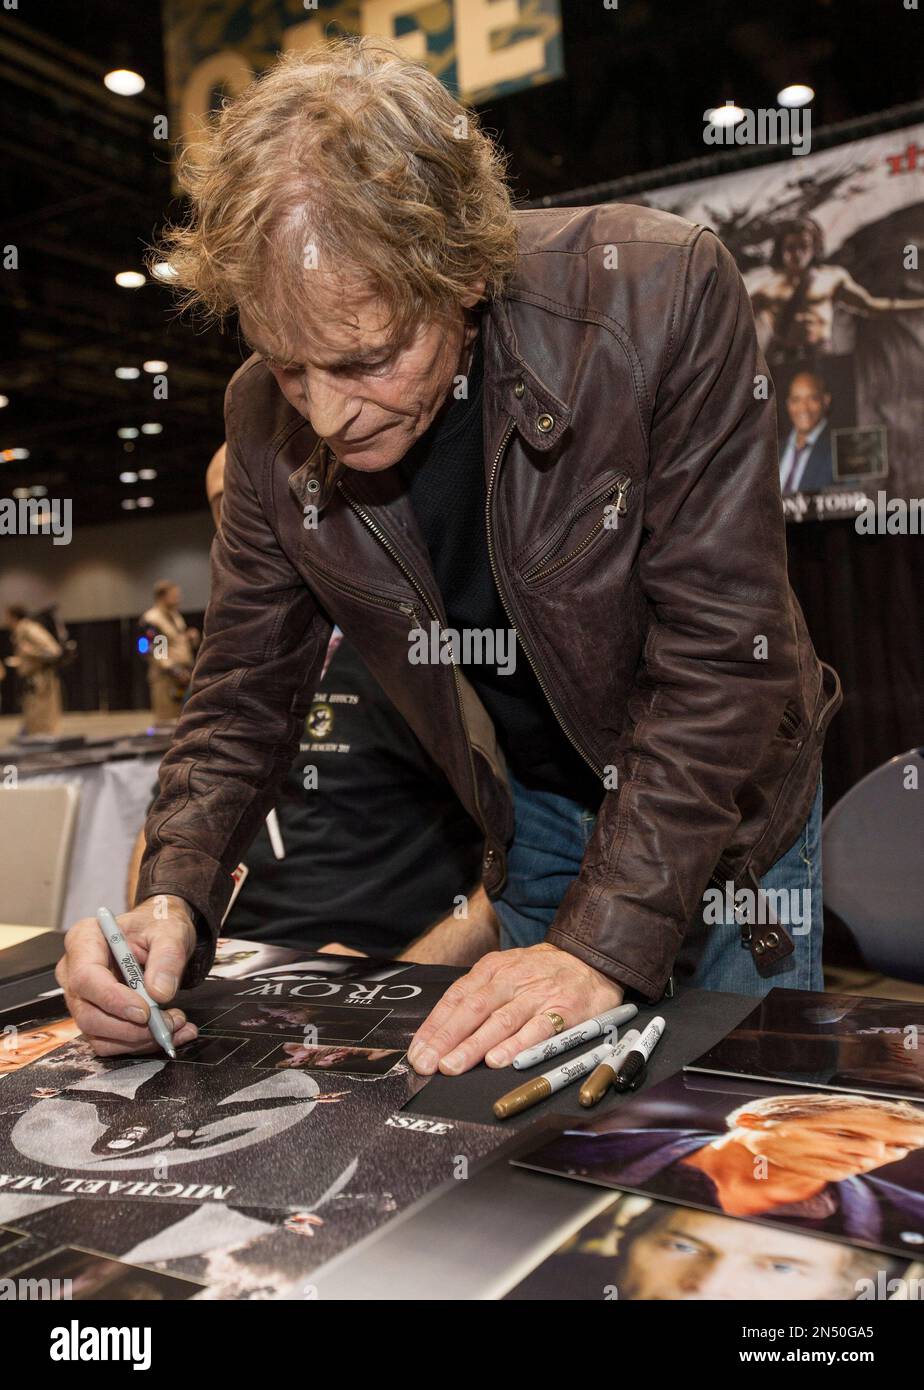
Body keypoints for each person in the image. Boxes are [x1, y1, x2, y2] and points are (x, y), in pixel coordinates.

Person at [59, 38, 841, 1073]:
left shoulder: (659, 296)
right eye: (291, 367)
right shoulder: (261, 420)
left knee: (733, 1133)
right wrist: (174, 891)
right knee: (523, 1149)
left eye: (368, 359)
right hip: (538, 813)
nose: (330, 414)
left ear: (463, 268)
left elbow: (718, 660)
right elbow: (242, 693)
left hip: (730, 808)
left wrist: (596, 945)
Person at [533, 1091, 924, 1250]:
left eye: (899, 1146)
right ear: (752, 1122)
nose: (871, 1154)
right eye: (844, 1133)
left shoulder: (912, 1218)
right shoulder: (574, 1153)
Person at [507, 1199, 910, 1301]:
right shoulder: (524, 1283)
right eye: (682, 1245)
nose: (706, 1286)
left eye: (781, 1268)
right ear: (628, 1242)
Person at [745, 216, 924, 365]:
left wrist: (919, 304)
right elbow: (736, 322)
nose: (797, 254)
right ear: (781, 249)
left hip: (822, 357)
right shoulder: (765, 286)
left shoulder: (831, 278)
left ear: (814, 247)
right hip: (781, 360)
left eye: (804, 246)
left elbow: (871, 306)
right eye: (791, 247)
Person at [140, 581, 200, 722]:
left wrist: (190, 638)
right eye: (174, 595)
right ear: (162, 597)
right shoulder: (153, 619)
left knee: (183, 719)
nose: (178, 598)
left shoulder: (176, 616)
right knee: (167, 722)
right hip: (166, 678)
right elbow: (150, 648)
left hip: (183, 674)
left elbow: (175, 642)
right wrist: (175, 670)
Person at [3, 603, 64, 736]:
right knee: (33, 723)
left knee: (42, 724)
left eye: (6, 617)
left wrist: (30, 652)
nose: (5, 621)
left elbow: (54, 651)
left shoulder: (30, 630)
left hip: (41, 681)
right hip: (32, 681)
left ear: (13, 617)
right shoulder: (21, 631)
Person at [779, 371, 834, 494]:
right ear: (788, 405)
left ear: (825, 400)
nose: (803, 408)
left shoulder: (838, 449)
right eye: (796, 400)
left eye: (812, 399)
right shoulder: (772, 451)